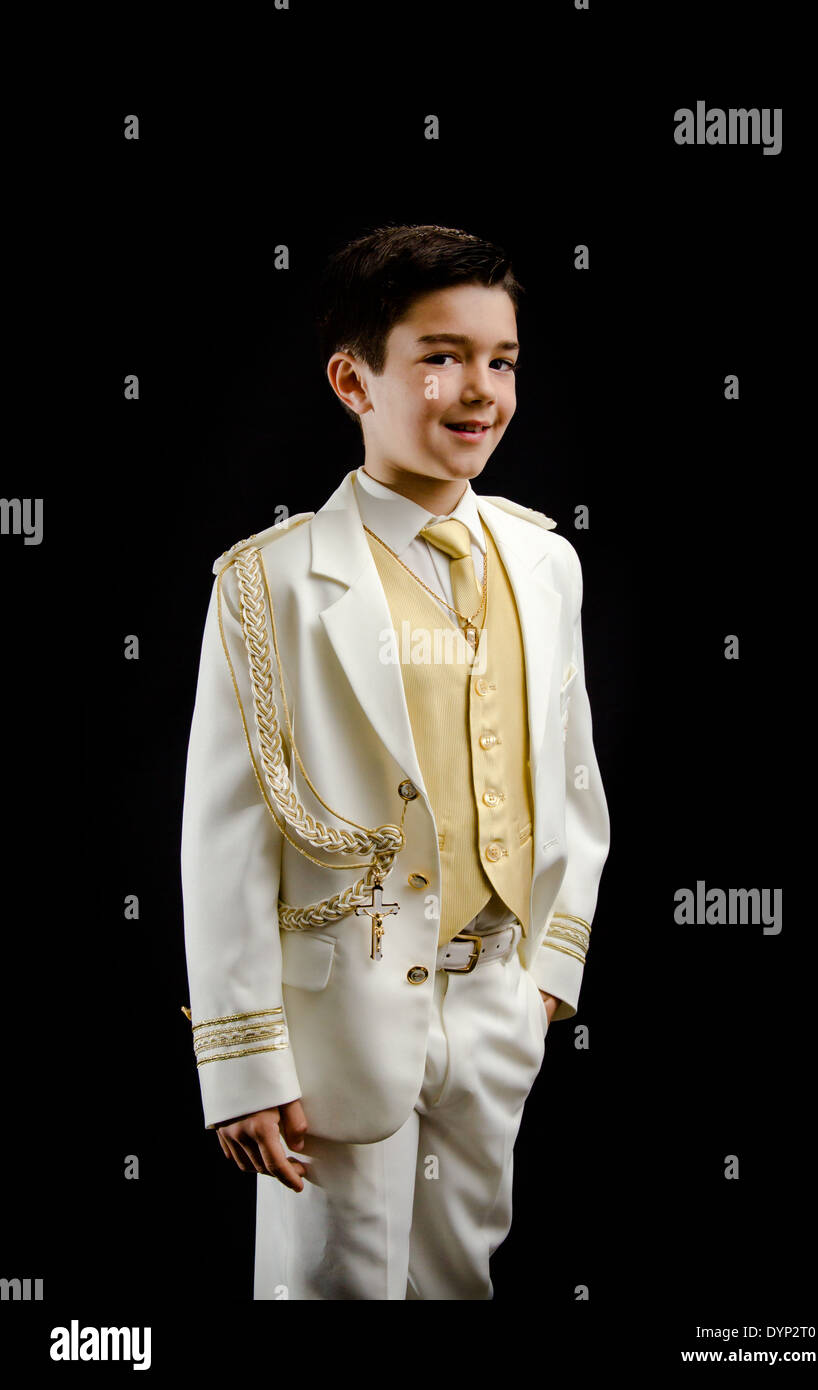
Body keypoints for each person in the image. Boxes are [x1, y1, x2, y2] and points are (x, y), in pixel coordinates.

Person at [180, 224, 611, 1299]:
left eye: (498, 359)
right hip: (338, 1014)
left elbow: (571, 778)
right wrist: (241, 1060)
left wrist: (546, 975)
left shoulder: (543, 560)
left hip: (495, 1002)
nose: (477, 391)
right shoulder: (269, 582)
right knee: (330, 1281)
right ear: (351, 379)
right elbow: (225, 833)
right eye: (438, 355)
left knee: (458, 1274)